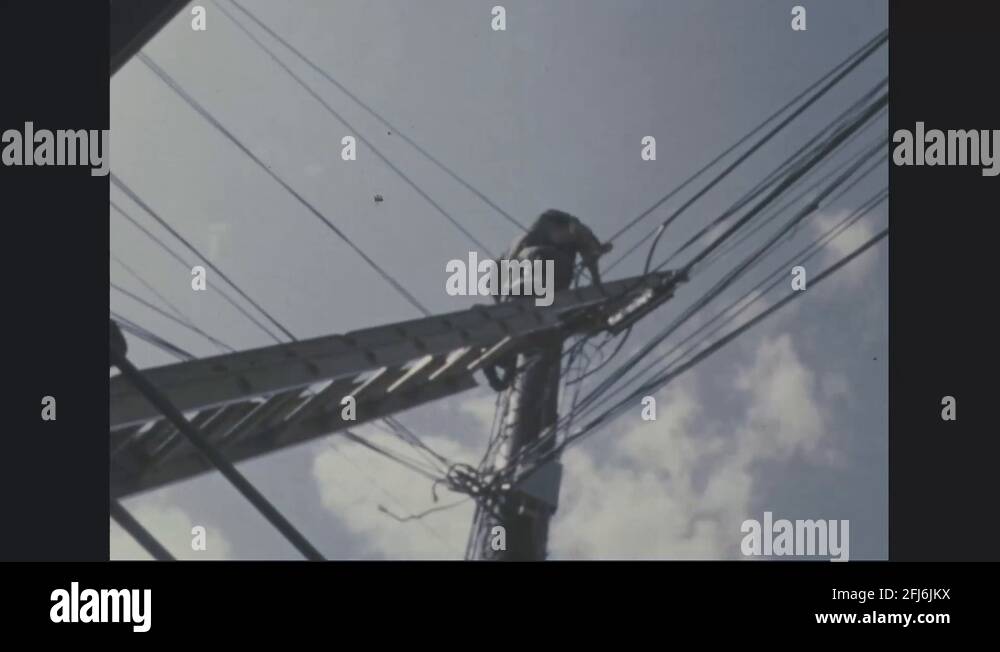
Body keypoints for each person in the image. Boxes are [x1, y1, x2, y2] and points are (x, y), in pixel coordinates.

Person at [483, 210, 612, 391]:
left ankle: (504, 363)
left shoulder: (522, 244)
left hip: (521, 289)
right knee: (548, 327)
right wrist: (597, 281)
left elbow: (494, 279)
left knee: (540, 333)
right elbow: (584, 241)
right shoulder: (553, 233)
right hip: (536, 276)